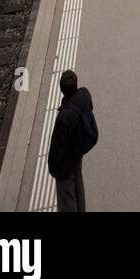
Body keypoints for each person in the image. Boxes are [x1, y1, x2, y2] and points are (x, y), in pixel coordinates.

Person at [48, 70, 96, 212]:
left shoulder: (65, 117)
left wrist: (53, 168)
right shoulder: (84, 95)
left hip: (65, 165)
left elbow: (58, 147)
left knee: (67, 198)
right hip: (78, 153)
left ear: (62, 90)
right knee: (78, 189)